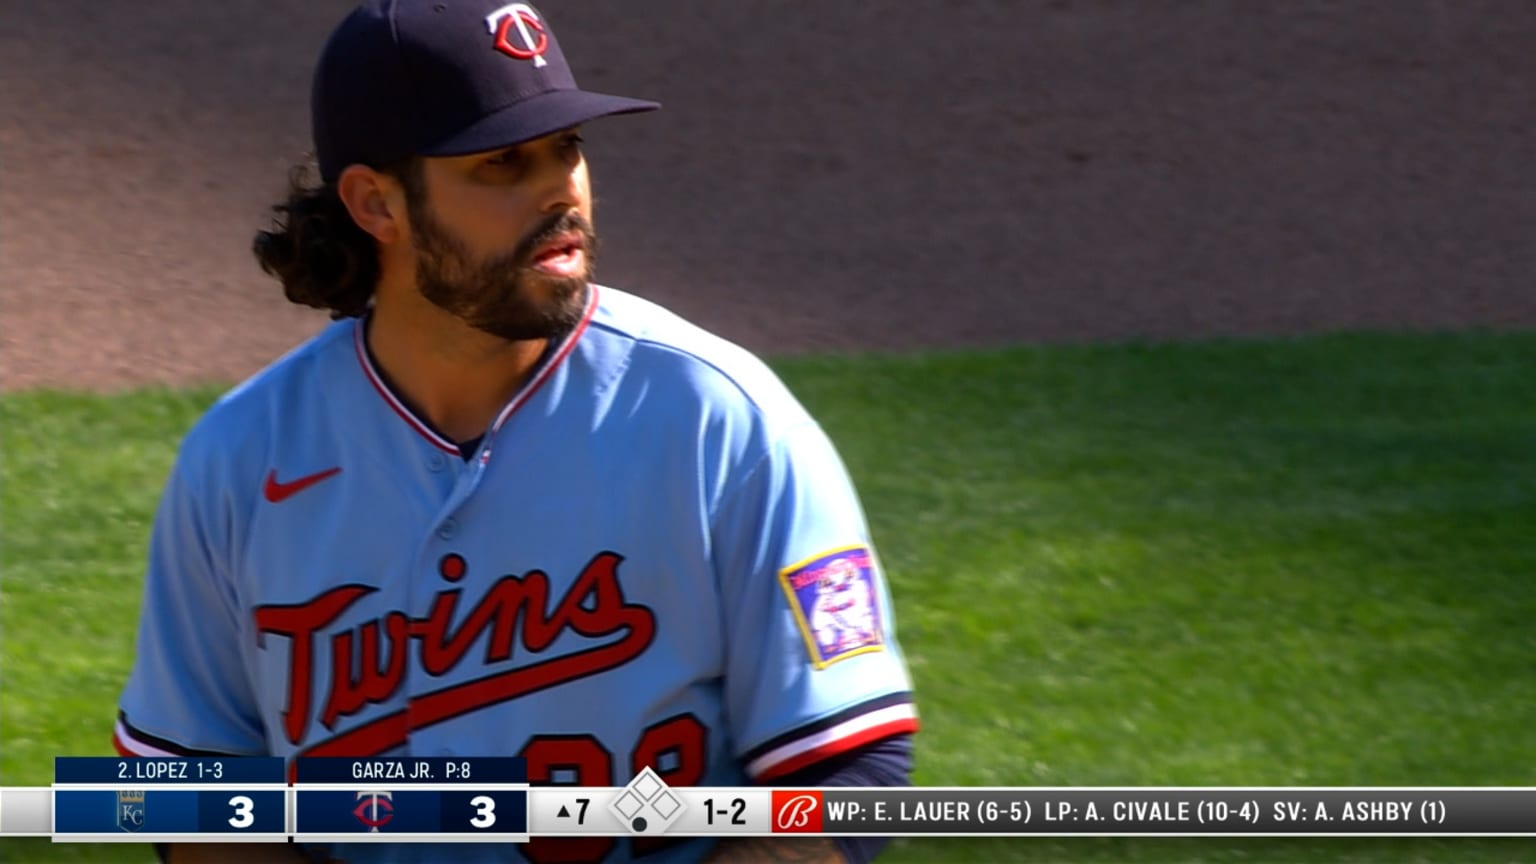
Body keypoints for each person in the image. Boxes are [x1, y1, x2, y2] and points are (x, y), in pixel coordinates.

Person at [113, 1, 919, 862]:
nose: (560, 189)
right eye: (502, 162)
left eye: (567, 148)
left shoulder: (715, 419)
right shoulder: (242, 458)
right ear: (376, 203)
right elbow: (183, 786)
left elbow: (851, 768)